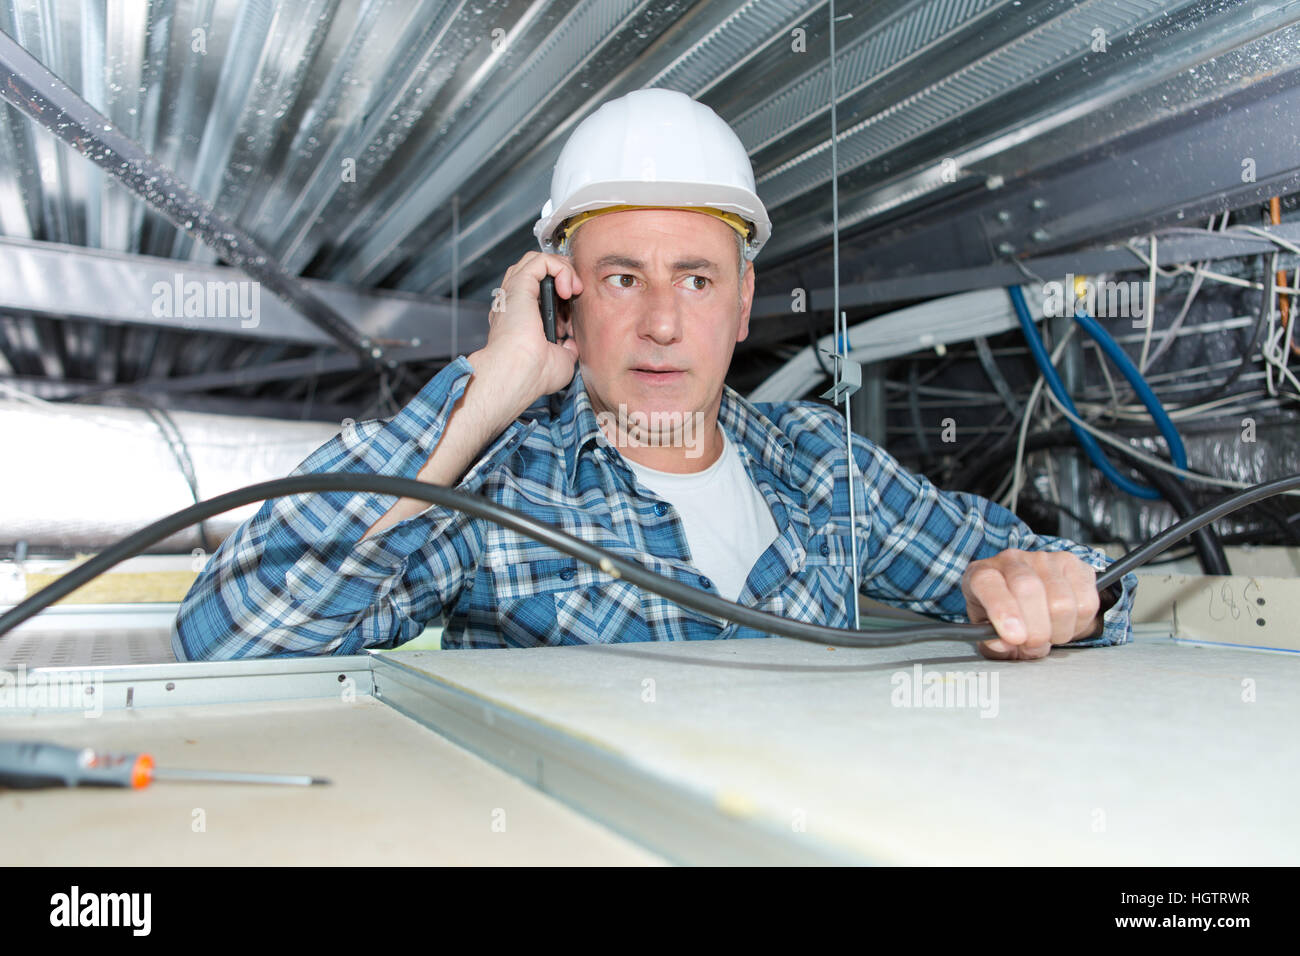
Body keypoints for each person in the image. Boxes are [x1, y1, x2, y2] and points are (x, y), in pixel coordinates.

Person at [172, 88, 1135, 662]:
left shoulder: (823, 467)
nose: (664, 322)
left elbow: (1073, 575)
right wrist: (490, 388)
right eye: (622, 277)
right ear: (564, 297)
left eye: (698, 278)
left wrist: (1053, 587)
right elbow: (232, 636)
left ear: (744, 299)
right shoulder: (501, 488)